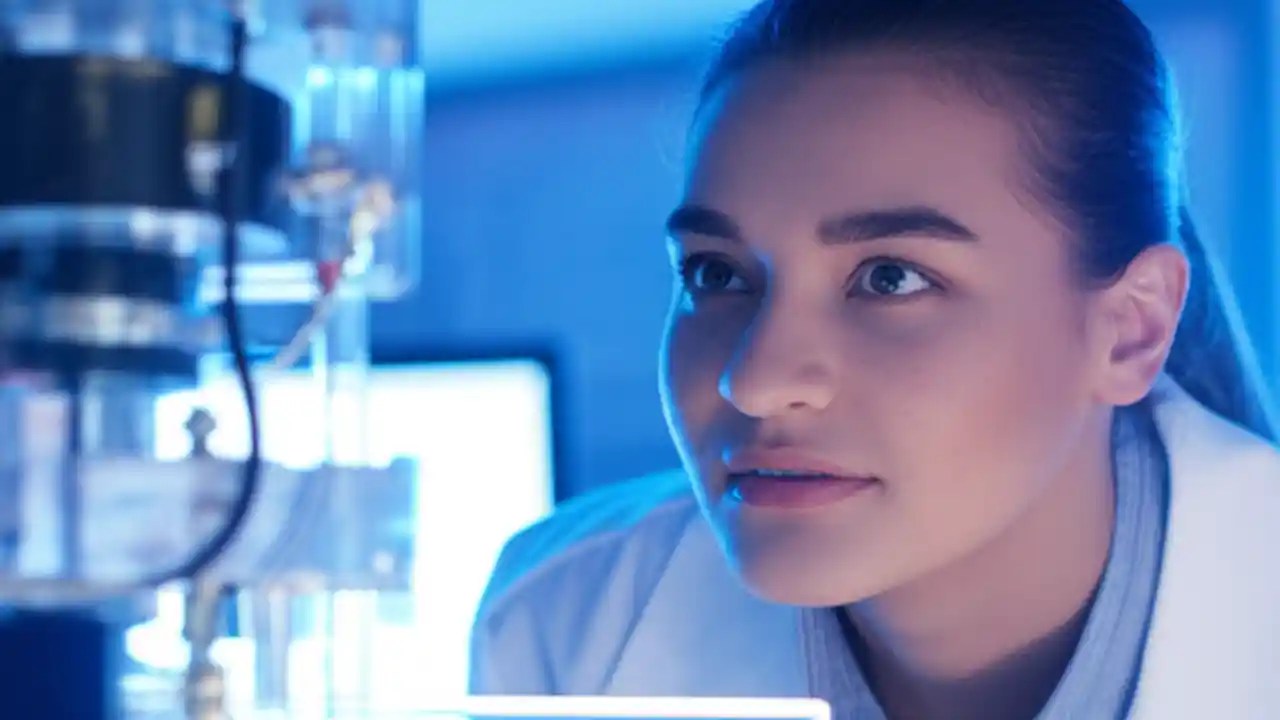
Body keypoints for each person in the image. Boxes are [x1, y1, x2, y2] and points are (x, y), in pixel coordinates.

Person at [468, 1, 1280, 718]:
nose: (756, 381)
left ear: (1131, 329)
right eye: (715, 274)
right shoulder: (564, 625)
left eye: (891, 278)